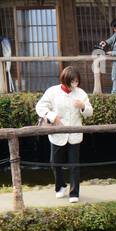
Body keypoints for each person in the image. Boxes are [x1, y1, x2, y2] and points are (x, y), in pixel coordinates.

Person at [36, 66, 94, 203]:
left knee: (74, 165)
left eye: (77, 81)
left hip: (74, 133)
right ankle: (60, 186)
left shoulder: (81, 93)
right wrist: (52, 116)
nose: (75, 84)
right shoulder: (52, 91)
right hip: (58, 133)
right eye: (72, 81)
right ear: (65, 80)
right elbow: (40, 106)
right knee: (55, 163)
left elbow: (90, 112)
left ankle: (74, 193)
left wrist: (83, 107)